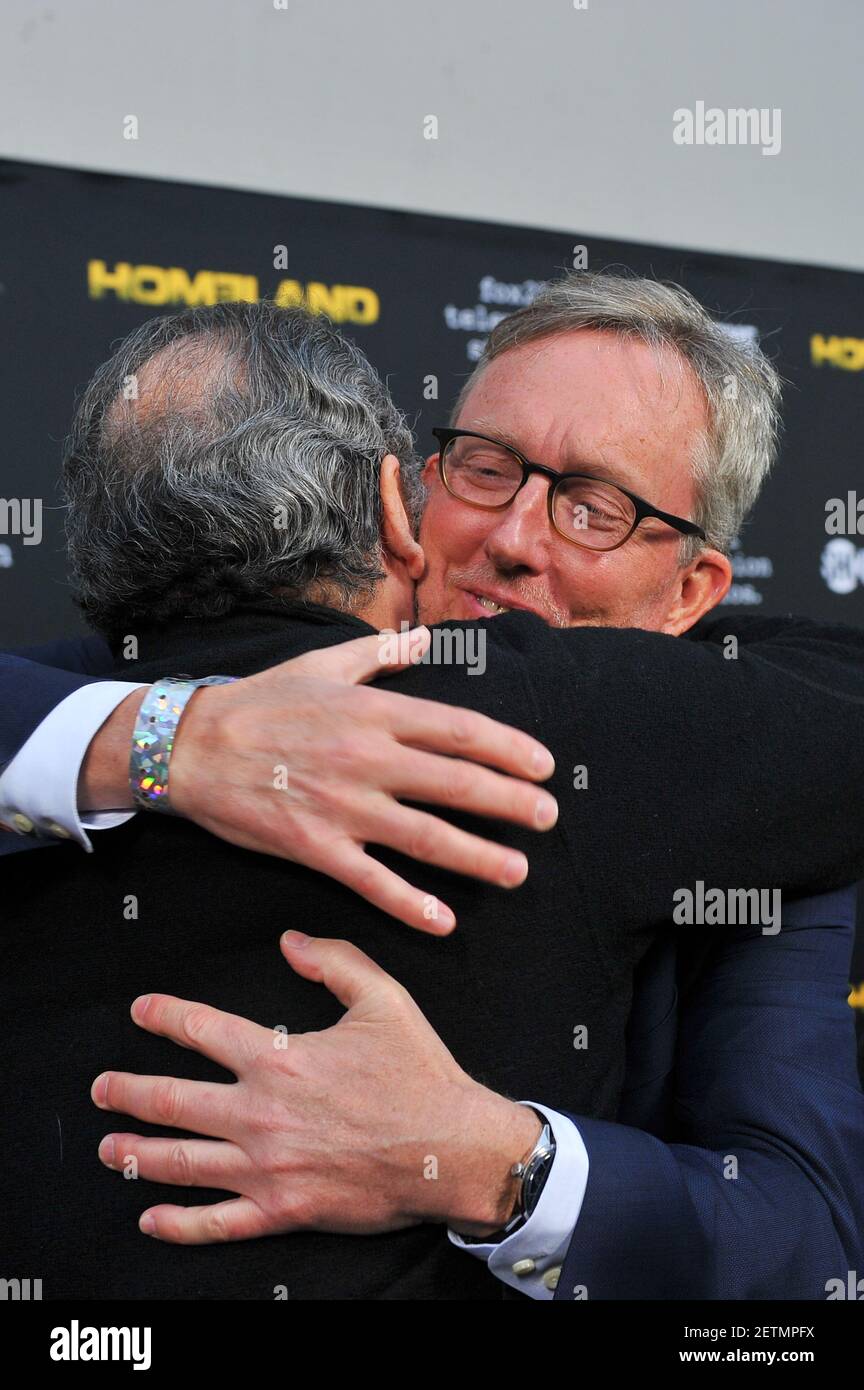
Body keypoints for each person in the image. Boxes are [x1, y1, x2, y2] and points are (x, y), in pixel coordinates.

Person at [3, 275, 863, 1299]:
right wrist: (169, 735)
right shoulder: (130, 680)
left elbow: (804, 1249)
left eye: (593, 508)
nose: (510, 536)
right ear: (407, 494)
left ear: (691, 593)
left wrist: (492, 1162)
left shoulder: (759, 779)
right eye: (488, 469)